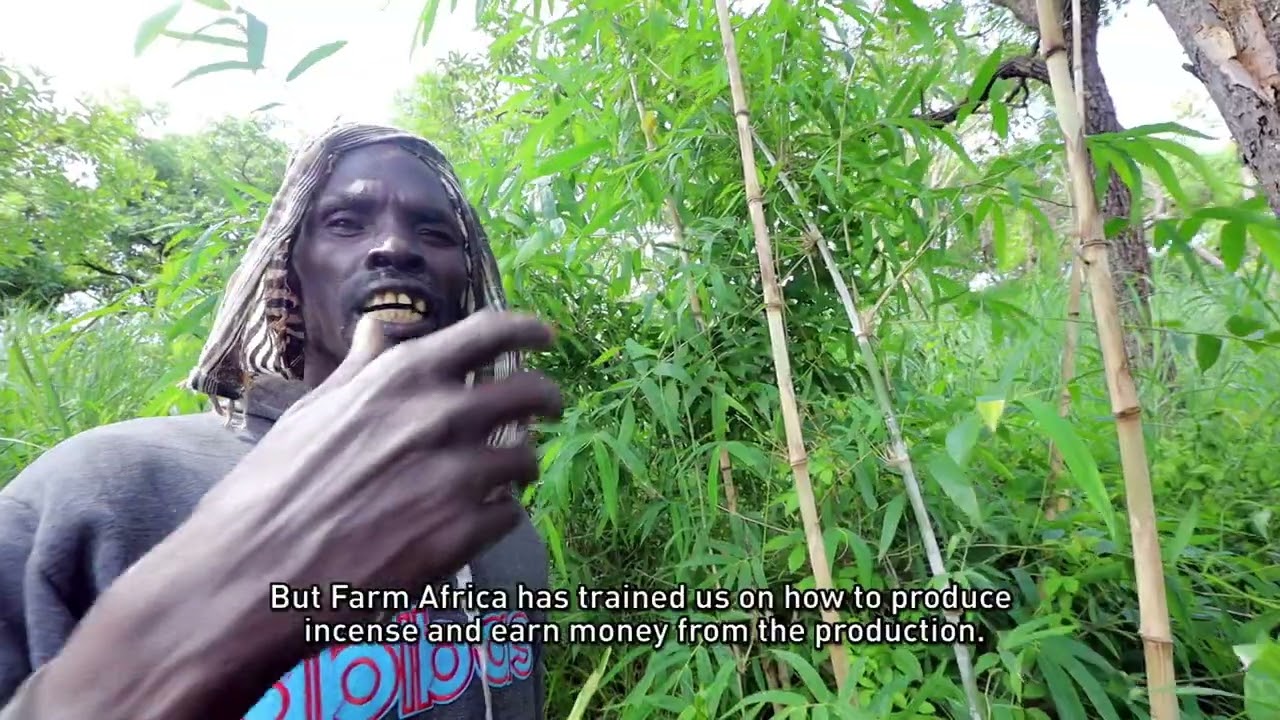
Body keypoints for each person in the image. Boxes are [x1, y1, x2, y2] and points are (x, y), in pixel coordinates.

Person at [0, 123, 564, 720]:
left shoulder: (502, 527)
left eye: (434, 231)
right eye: (345, 222)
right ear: (287, 274)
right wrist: (226, 586)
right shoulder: (98, 490)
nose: (397, 247)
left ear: (465, 282)